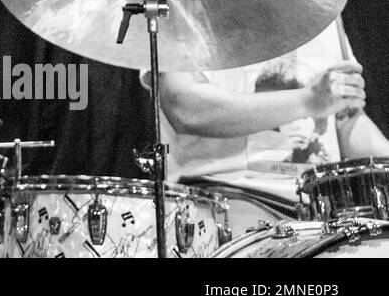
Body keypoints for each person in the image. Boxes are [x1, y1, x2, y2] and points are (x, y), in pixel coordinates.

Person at [155, 19, 389, 226]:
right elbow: (185, 108)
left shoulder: (325, 11)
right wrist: (306, 102)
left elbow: (347, 122)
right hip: (226, 199)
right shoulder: (190, 2)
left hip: (324, 208)